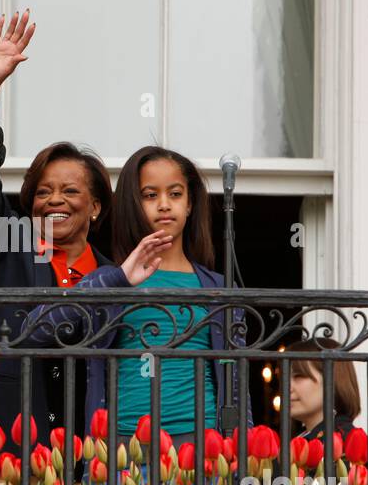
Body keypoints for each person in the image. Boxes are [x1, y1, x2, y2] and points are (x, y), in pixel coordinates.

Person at [0, 11, 114, 452]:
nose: (55, 200)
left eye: (70, 191)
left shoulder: (115, 276)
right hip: (3, 450)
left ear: (95, 206)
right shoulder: (8, 247)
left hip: (93, 461)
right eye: (43, 191)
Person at [54, 147, 237, 444]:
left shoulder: (217, 287)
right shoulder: (110, 280)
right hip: (125, 445)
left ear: (190, 204)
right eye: (150, 195)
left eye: (175, 194)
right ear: (133, 205)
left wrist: (243, 455)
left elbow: (237, 384)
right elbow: (37, 326)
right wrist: (119, 278)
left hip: (201, 446)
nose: (164, 205)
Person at [285, 338, 361, 442]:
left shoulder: (348, 441)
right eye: (284, 377)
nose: (287, 387)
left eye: (299, 376)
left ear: (332, 379)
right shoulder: (298, 438)